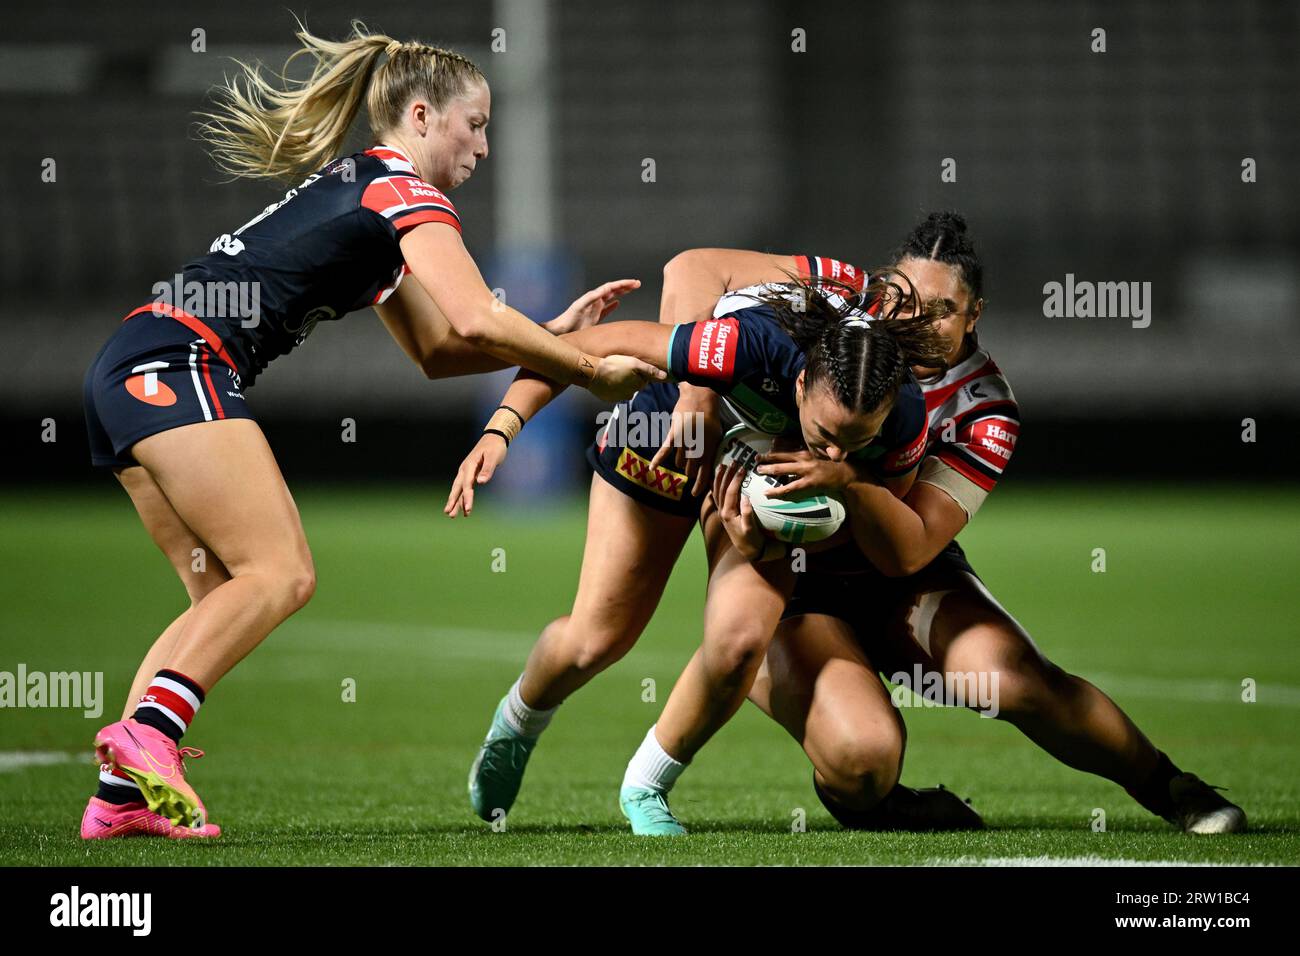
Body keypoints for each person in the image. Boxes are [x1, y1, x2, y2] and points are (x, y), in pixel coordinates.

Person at [80, 21, 661, 840]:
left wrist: (549, 335)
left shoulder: (365, 192)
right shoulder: (403, 191)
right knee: (280, 573)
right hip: (181, 363)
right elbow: (477, 316)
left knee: (220, 595)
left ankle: (120, 797)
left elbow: (439, 351)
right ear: (420, 117)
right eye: (475, 125)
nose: (484, 146)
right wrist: (591, 370)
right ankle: (148, 736)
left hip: (131, 365)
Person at [691, 213, 1247, 835]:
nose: (915, 322)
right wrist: (695, 400)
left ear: (973, 314)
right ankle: (881, 804)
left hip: (897, 570)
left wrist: (849, 482)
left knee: (1015, 679)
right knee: (862, 757)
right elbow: (694, 269)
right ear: (883, 288)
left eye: (942, 310)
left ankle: (1170, 787)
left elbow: (908, 552)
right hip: (788, 576)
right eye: (906, 301)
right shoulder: (832, 305)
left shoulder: (983, 407)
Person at [452, 263, 950, 828]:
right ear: (800, 385)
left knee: (740, 642)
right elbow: (584, 346)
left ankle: (646, 787)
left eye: (856, 441)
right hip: (671, 433)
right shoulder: (747, 346)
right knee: (595, 640)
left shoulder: (903, 417)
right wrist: (502, 428)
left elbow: (870, 536)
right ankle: (517, 722)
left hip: (761, 477)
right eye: (827, 434)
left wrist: (763, 543)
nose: (837, 454)